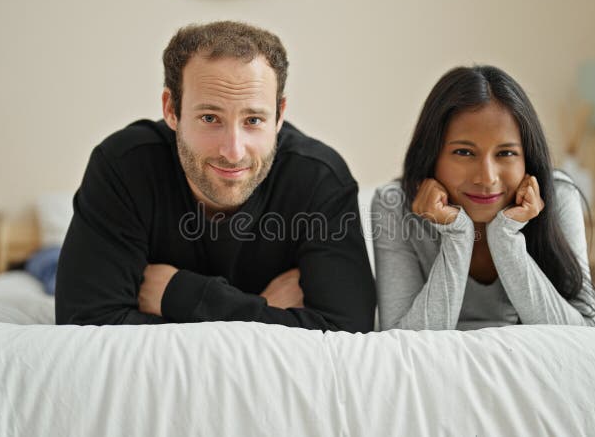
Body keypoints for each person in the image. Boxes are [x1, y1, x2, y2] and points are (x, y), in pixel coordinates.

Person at [55, 21, 376, 332]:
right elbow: (85, 323)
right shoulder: (123, 166)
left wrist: (181, 294)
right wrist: (265, 309)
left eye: (253, 120)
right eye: (210, 118)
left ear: (279, 115)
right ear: (171, 109)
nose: (233, 151)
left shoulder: (319, 178)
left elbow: (345, 329)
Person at [372, 65, 595, 331]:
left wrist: (505, 237)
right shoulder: (394, 206)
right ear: (432, 154)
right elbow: (401, 340)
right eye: (464, 152)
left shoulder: (560, 195)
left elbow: (584, 333)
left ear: (528, 158)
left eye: (505, 154)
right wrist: (457, 235)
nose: (487, 177)